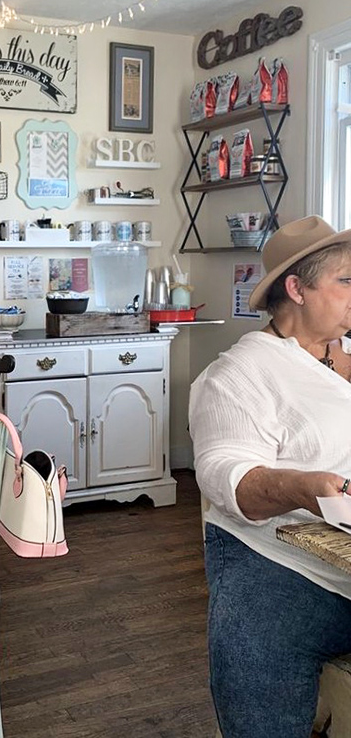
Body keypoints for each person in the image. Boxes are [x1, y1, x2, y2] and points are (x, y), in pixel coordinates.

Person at [189, 215, 351, 738]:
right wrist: (303, 487)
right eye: (346, 281)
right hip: (285, 562)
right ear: (296, 289)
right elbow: (226, 474)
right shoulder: (239, 374)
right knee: (251, 642)